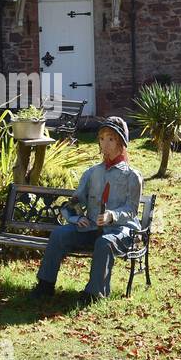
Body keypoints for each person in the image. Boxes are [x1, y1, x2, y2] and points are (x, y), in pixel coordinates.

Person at [30, 116, 142, 305]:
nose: (105, 144)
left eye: (111, 139)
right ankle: (45, 286)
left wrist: (111, 216)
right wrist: (76, 218)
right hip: (90, 228)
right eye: (102, 139)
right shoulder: (91, 173)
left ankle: (94, 294)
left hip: (121, 231)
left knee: (104, 243)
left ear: (121, 143)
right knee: (59, 234)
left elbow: (131, 209)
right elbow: (73, 202)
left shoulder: (132, 176)